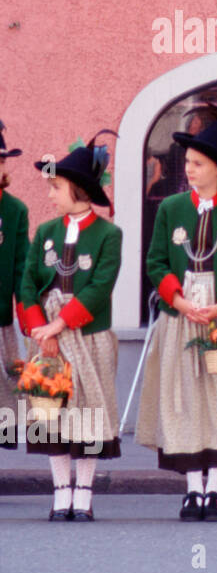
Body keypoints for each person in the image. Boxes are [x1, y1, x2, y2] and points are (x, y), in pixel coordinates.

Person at [135, 115, 217, 522]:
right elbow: (156, 261)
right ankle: (192, 491)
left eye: (196, 162)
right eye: (188, 162)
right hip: (182, 316)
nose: (188, 169)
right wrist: (177, 301)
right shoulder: (172, 208)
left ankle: (216, 490)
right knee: (187, 403)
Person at [18, 131, 122, 521]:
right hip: (45, 338)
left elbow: (101, 286)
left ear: (78, 189)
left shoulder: (109, 234)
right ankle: (60, 489)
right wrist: (37, 327)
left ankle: (84, 491)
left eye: (56, 187)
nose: (50, 194)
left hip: (87, 334)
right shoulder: (46, 232)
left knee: (89, 413)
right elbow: (28, 281)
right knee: (52, 412)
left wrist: (60, 323)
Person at [0, 119, 30, 451]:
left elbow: (23, 268)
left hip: (0, 322)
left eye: (1, 160)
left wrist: (29, 322)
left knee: (4, 394)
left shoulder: (14, 210)